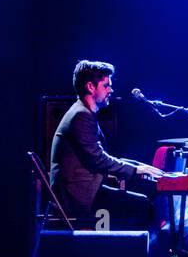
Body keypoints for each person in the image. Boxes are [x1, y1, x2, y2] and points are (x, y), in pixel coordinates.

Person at [49, 60, 164, 230]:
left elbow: (99, 156)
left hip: (84, 191)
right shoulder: (81, 115)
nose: (111, 90)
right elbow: (98, 159)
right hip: (78, 197)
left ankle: (125, 251)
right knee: (142, 205)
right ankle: (128, 254)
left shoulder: (84, 112)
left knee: (140, 201)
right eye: (106, 85)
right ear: (90, 86)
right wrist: (136, 171)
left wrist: (139, 166)